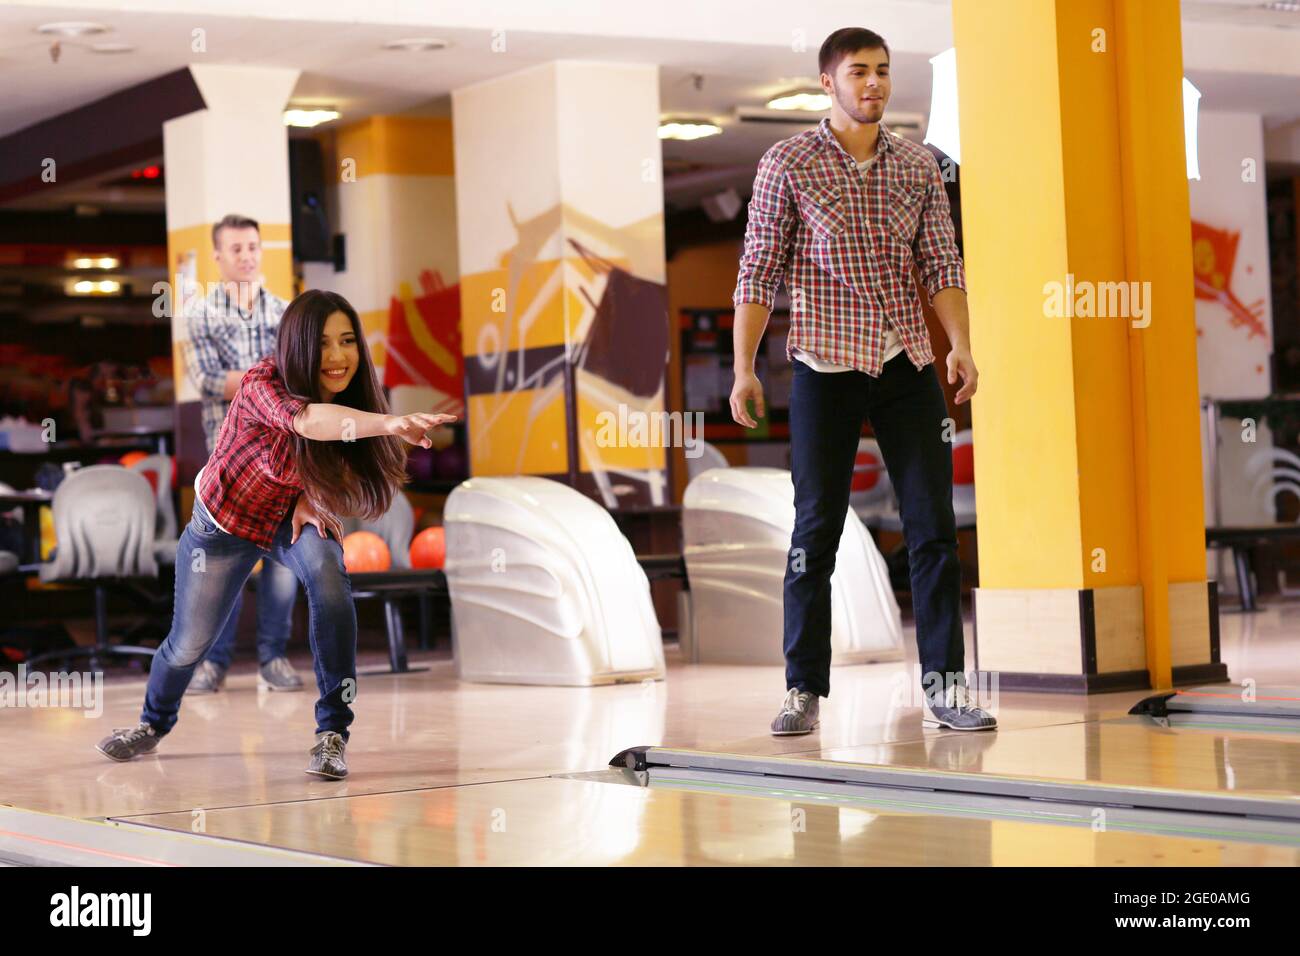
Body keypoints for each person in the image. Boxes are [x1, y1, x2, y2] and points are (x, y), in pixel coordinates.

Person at [730, 27, 996, 735]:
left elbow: (942, 264)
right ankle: (802, 688)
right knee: (815, 529)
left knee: (933, 528)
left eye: (882, 70)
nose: (873, 82)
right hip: (825, 364)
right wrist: (743, 367)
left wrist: (961, 344)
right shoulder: (788, 163)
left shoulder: (918, 165)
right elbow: (758, 270)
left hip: (907, 361)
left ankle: (945, 688)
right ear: (829, 82)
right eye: (858, 72)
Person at [96, 289, 456, 778]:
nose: (337, 356)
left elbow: (330, 454)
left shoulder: (350, 401)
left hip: (287, 519)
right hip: (221, 527)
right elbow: (307, 422)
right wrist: (392, 423)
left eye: (347, 340)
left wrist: (311, 495)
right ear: (297, 346)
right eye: (323, 343)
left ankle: (332, 733)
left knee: (329, 578)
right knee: (188, 644)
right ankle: (151, 723)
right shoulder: (261, 383)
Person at [182, 213, 303, 693]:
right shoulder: (201, 315)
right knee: (223, 566)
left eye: (253, 247)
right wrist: (269, 380)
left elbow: (299, 378)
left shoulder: (286, 314)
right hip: (227, 463)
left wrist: (254, 382)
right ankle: (213, 664)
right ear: (218, 256)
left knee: (281, 562)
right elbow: (208, 380)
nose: (247, 256)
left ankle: (274, 658)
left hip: (282, 458)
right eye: (236, 249)